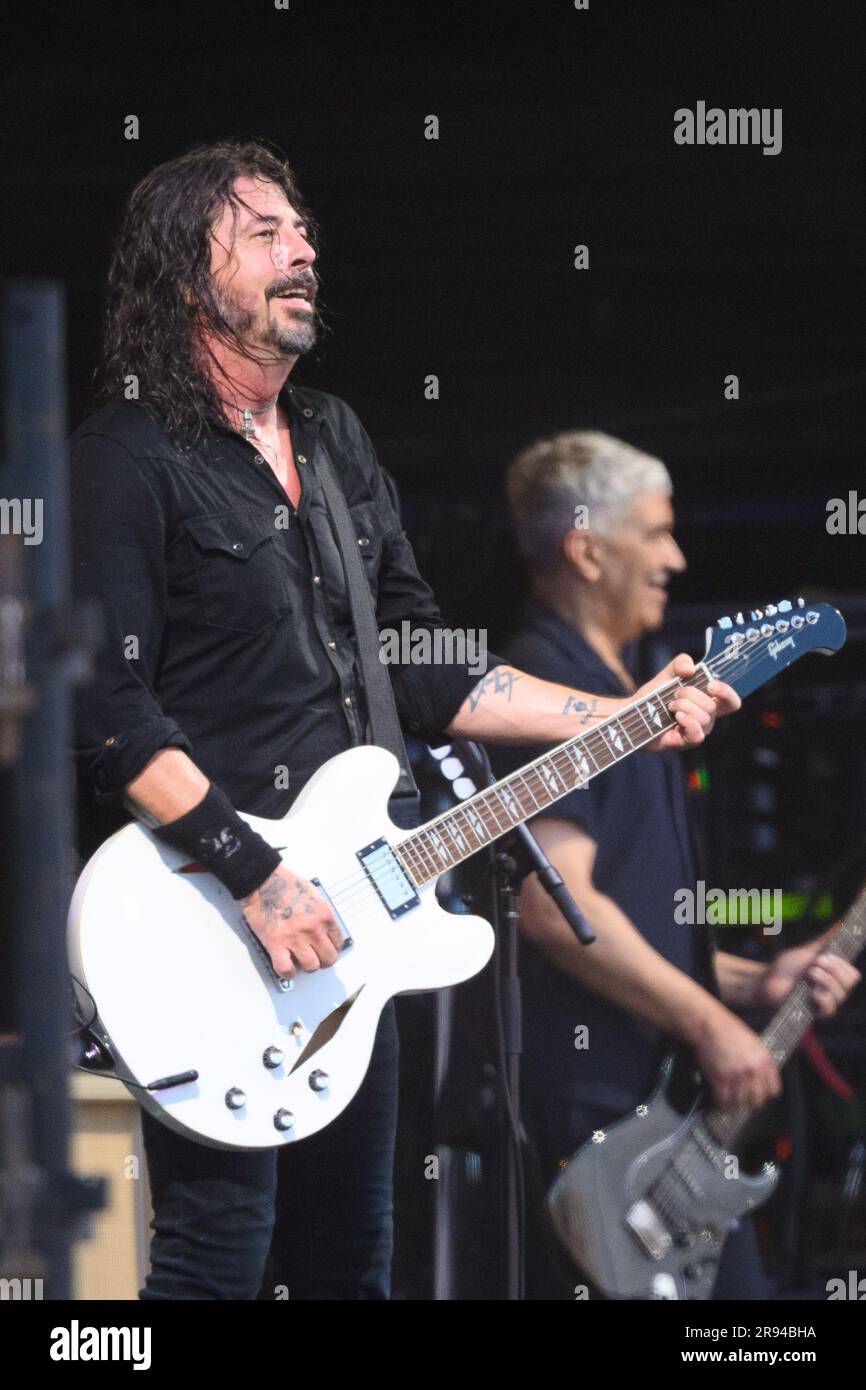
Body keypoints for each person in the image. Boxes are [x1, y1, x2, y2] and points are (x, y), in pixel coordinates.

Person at [70, 142, 737, 1301]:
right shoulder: (125, 458)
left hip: (350, 934)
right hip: (210, 916)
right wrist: (254, 873)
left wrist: (625, 711)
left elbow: (425, 669)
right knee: (214, 1254)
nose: (304, 248)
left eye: (304, 230)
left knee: (351, 1263)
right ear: (188, 274)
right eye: (266, 231)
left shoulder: (332, 441)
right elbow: (104, 707)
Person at [494, 430, 861, 1299]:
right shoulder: (549, 686)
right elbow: (557, 908)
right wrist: (710, 1025)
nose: (677, 556)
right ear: (586, 548)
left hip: (648, 1108)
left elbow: (644, 921)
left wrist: (757, 980)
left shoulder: (633, 694)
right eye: (656, 533)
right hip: (594, 1111)